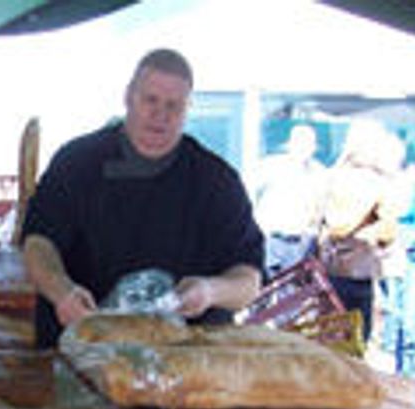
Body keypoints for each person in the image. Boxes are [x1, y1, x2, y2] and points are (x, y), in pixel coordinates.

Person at [20, 48, 264, 349]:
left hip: (186, 361)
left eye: (174, 105)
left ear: (188, 108)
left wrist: (210, 291)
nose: (160, 115)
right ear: (128, 97)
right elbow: (37, 244)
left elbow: (249, 280)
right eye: (150, 100)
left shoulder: (217, 181)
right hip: (80, 350)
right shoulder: (76, 163)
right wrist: (62, 292)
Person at [318, 120, 403, 346]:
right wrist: (371, 233)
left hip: (326, 270)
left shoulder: (330, 177)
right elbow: (388, 233)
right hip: (359, 272)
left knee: (329, 339)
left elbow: (316, 220)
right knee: (356, 341)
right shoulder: (378, 183)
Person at [253, 123, 327, 275]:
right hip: (271, 241)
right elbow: (248, 192)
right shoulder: (271, 166)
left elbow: (321, 207)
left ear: (314, 147)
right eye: (299, 143)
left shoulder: (320, 173)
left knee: (295, 286)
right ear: (290, 145)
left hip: (301, 245)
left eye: (308, 144)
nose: (303, 148)